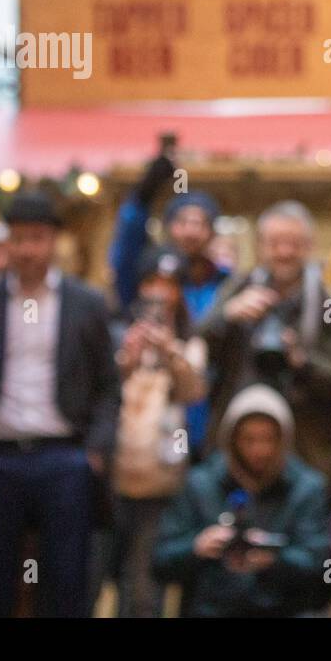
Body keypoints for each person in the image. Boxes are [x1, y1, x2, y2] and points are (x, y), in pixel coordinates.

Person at [0, 192, 120, 617]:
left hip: (64, 457)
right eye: (18, 239)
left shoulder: (85, 303)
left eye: (36, 238)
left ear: (54, 241)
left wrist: (95, 450)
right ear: (6, 242)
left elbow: (108, 385)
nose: (27, 249)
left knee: (66, 581)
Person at [199, 201, 331, 483]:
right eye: (275, 243)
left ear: (309, 245)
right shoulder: (237, 290)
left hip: (308, 458)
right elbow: (199, 350)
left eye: (294, 243)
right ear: (260, 246)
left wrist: (301, 361)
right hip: (233, 457)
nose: (284, 252)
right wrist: (227, 318)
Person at [152, 385, 331, 617]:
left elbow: (323, 568)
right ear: (232, 439)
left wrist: (275, 558)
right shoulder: (200, 484)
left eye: (268, 439)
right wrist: (197, 548)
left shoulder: (307, 488)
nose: (260, 450)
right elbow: (160, 563)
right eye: (249, 439)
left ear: (283, 440)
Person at [109, 149, 230, 454]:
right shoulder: (145, 279)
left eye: (200, 223)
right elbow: (126, 250)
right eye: (182, 221)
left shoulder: (226, 283)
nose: (190, 230)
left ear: (212, 232)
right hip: (143, 431)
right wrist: (143, 195)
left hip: (207, 418)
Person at [109, 246, 208, 617]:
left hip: (161, 481)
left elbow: (194, 391)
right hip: (111, 475)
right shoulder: (116, 331)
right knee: (103, 575)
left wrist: (171, 352)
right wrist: (126, 359)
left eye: (170, 285)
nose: (160, 293)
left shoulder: (190, 341)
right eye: (152, 283)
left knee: (144, 585)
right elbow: (97, 393)